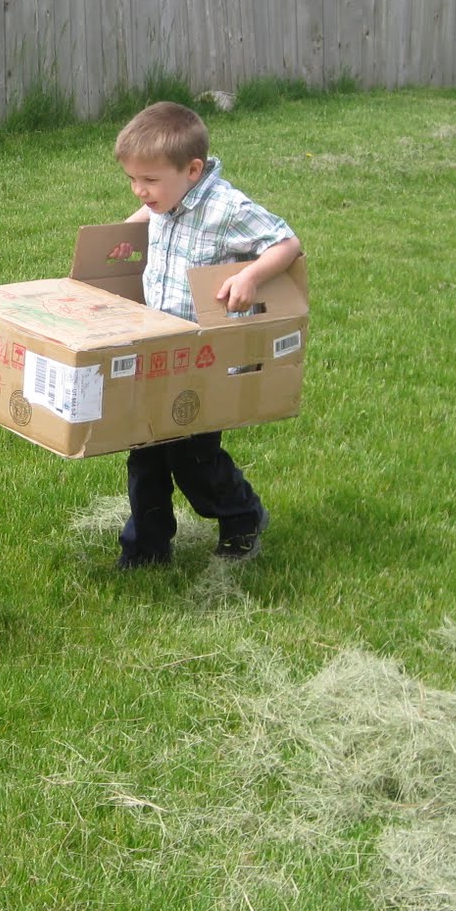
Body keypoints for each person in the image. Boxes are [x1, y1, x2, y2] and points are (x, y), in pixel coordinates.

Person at [114, 101, 302, 569]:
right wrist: (125, 231)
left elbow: (286, 242)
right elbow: (151, 219)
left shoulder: (227, 207)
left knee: (194, 460)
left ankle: (242, 516)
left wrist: (251, 278)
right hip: (160, 349)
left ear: (193, 170)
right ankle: (146, 547)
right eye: (132, 180)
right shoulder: (164, 202)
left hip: (203, 358)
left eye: (149, 181)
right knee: (146, 456)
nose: (140, 190)